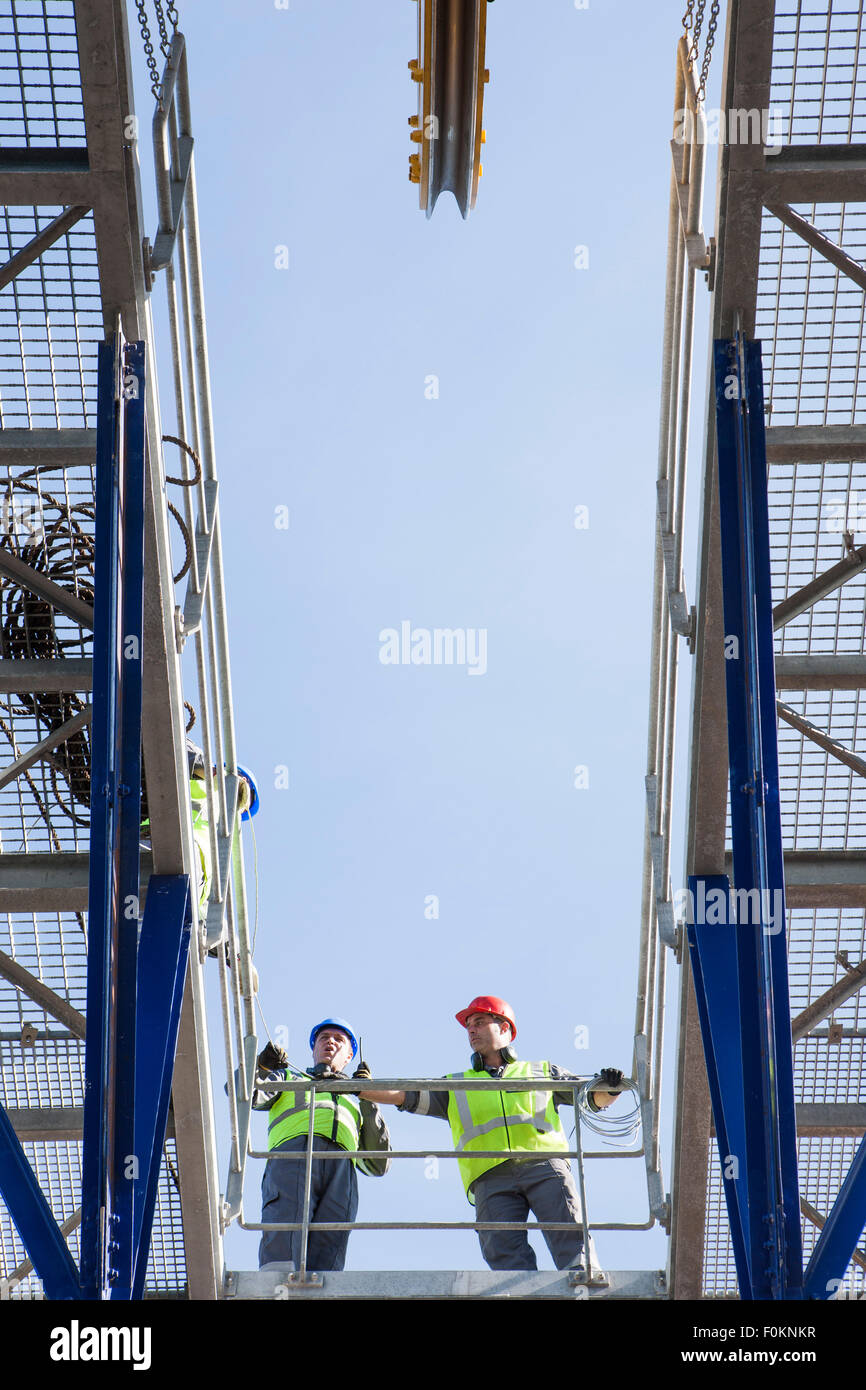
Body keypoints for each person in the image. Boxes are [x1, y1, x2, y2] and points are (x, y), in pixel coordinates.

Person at [364, 994, 624, 1273]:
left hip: (545, 1166)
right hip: (490, 1178)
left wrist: (611, 1087)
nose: (471, 1030)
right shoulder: (457, 1084)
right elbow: (404, 1095)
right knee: (505, 1259)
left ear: (504, 1028)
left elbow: (594, 1099)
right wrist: (360, 1088)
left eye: (478, 1022)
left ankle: (583, 1284)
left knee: (571, 1241)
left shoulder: (541, 1072)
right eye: (468, 1026)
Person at [254, 1017, 391, 1273]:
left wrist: (368, 1097)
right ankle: (273, 1290)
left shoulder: (357, 1098)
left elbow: (378, 1164)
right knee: (285, 1233)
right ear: (314, 1048)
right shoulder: (290, 1077)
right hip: (293, 1158)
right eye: (324, 1037)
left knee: (329, 1250)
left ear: (349, 1055)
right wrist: (261, 1069)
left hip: (342, 1170)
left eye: (339, 1039)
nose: (330, 1041)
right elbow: (243, 1096)